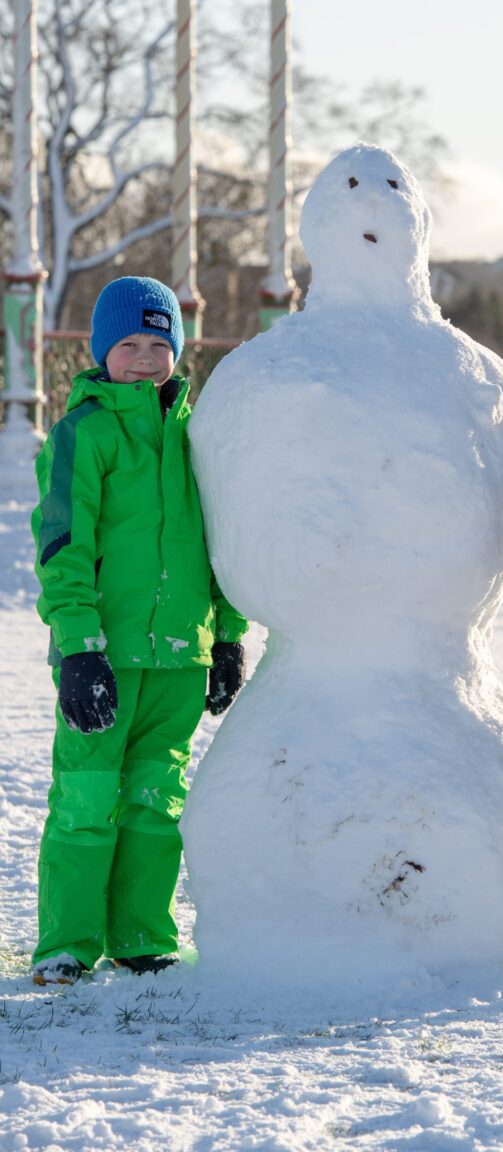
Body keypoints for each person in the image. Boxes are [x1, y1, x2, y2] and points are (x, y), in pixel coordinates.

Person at [30, 276, 249, 986]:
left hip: (180, 658)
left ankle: (141, 936)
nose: (147, 357)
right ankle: (67, 941)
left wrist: (227, 638)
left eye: (161, 344)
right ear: (102, 351)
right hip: (106, 657)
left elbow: (222, 546)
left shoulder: (197, 435)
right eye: (130, 344)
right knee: (87, 802)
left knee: (157, 803)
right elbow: (62, 547)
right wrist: (78, 649)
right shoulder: (84, 434)